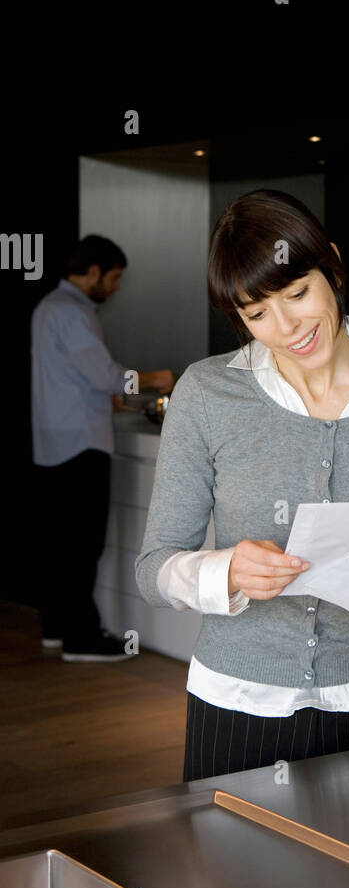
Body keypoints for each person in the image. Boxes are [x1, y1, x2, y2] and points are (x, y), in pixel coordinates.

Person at [135, 190, 349, 781]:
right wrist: (226, 571)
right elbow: (154, 567)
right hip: (238, 709)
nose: (286, 329)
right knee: (236, 874)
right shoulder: (206, 395)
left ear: (330, 266)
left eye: (297, 294)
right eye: (257, 315)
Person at [31, 234, 174, 660]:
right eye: (113, 278)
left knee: (60, 545)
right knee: (81, 546)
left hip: (54, 441)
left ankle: (56, 629)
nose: (115, 287)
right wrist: (155, 379)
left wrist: (105, 394)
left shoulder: (47, 308)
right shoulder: (73, 312)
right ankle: (82, 639)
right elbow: (106, 375)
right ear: (92, 272)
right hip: (81, 445)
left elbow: (72, 376)